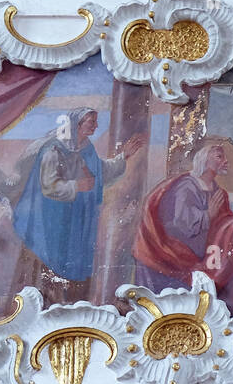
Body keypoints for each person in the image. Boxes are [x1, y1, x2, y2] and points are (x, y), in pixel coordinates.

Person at [12, 108, 145, 303]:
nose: (96, 126)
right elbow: (49, 187)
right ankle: (48, 303)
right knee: (51, 264)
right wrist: (77, 186)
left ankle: (72, 304)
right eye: (91, 122)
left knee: (74, 263)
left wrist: (123, 156)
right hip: (52, 219)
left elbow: (100, 172)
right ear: (77, 124)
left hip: (77, 218)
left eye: (95, 121)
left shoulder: (86, 148)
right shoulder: (54, 150)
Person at [133, 140, 233, 316]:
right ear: (204, 158)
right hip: (172, 256)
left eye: (225, 156)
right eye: (219, 156)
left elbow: (224, 230)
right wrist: (207, 215)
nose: (225, 161)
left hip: (207, 256)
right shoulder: (186, 186)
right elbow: (180, 226)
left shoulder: (218, 192)